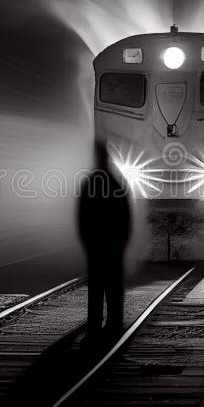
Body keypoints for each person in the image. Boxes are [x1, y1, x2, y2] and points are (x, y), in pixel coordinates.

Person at [78, 140, 131, 343]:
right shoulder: (116, 182)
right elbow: (125, 217)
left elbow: (82, 217)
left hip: (95, 245)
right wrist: (122, 242)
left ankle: (94, 328)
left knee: (96, 288)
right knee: (114, 287)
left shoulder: (89, 182)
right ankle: (115, 324)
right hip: (114, 244)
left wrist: (86, 242)